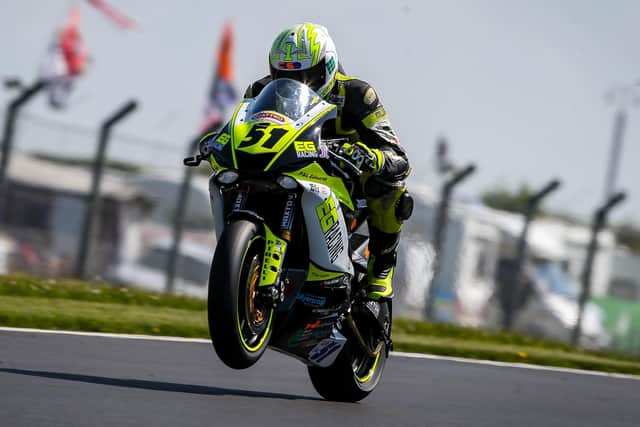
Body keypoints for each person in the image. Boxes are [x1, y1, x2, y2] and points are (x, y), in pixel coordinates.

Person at [245, 23, 413, 300]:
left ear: (328, 66)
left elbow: (397, 156)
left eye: (306, 75)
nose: (297, 84)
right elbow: (245, 127)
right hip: (285, 167)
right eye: (285, 75)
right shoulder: (259, 90)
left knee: (391, 186)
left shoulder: (357, 94)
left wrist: (370, 156)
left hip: (342, 179)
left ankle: (380, 268)